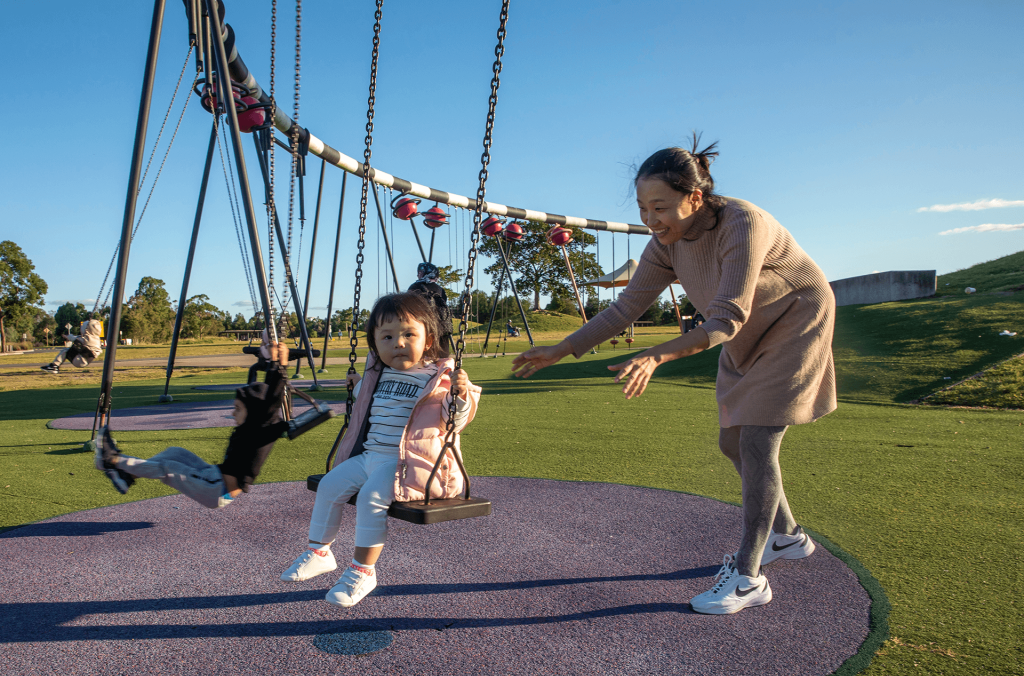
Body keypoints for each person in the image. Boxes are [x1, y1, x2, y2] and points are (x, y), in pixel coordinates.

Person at [511, 135, 836, 615]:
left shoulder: (743, 223)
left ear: (696, 198)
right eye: (643, 208)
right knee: (733, 442)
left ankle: (748, 576)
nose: (650, 219)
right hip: (743, 333)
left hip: (794, 322)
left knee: (758, 441)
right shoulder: (664, 245)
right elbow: (627, 307)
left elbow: (725, 317)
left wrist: (655, 356)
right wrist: (562, 348)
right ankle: (787, 537)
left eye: (659, 206)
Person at [281, 291, 480, 608]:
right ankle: (320, 552)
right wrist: (356, 382)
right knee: (330, 485)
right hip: (369, 456)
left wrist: (460, 393)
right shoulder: (379, 375)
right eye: (387, 337)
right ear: (375, 344)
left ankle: (363, 570)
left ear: (428, 340)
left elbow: (455, 418)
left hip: (404, 463)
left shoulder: (438, 377)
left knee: (373, 498)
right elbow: (365, 397)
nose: (398, 343)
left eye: (408, 334)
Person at [94, 342, 292, 508]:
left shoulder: (260, 429)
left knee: (167, 467)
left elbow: (271, 401)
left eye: (238, 409)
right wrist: (272, 362)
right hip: (213, 475)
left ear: (254, 413)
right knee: (175, 453)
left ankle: (111, 460)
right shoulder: (256, 424)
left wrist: (281, 365)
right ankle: (127, 476)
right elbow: (266, 398)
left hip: (217, 490)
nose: (233, 413)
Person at [407, 262, 453, 350]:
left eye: (420, 272)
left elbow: (409, 306)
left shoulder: (414, 287)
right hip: (441, 326)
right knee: (441, 356)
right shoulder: (440, 289)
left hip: (423, 324)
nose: (418, 274)